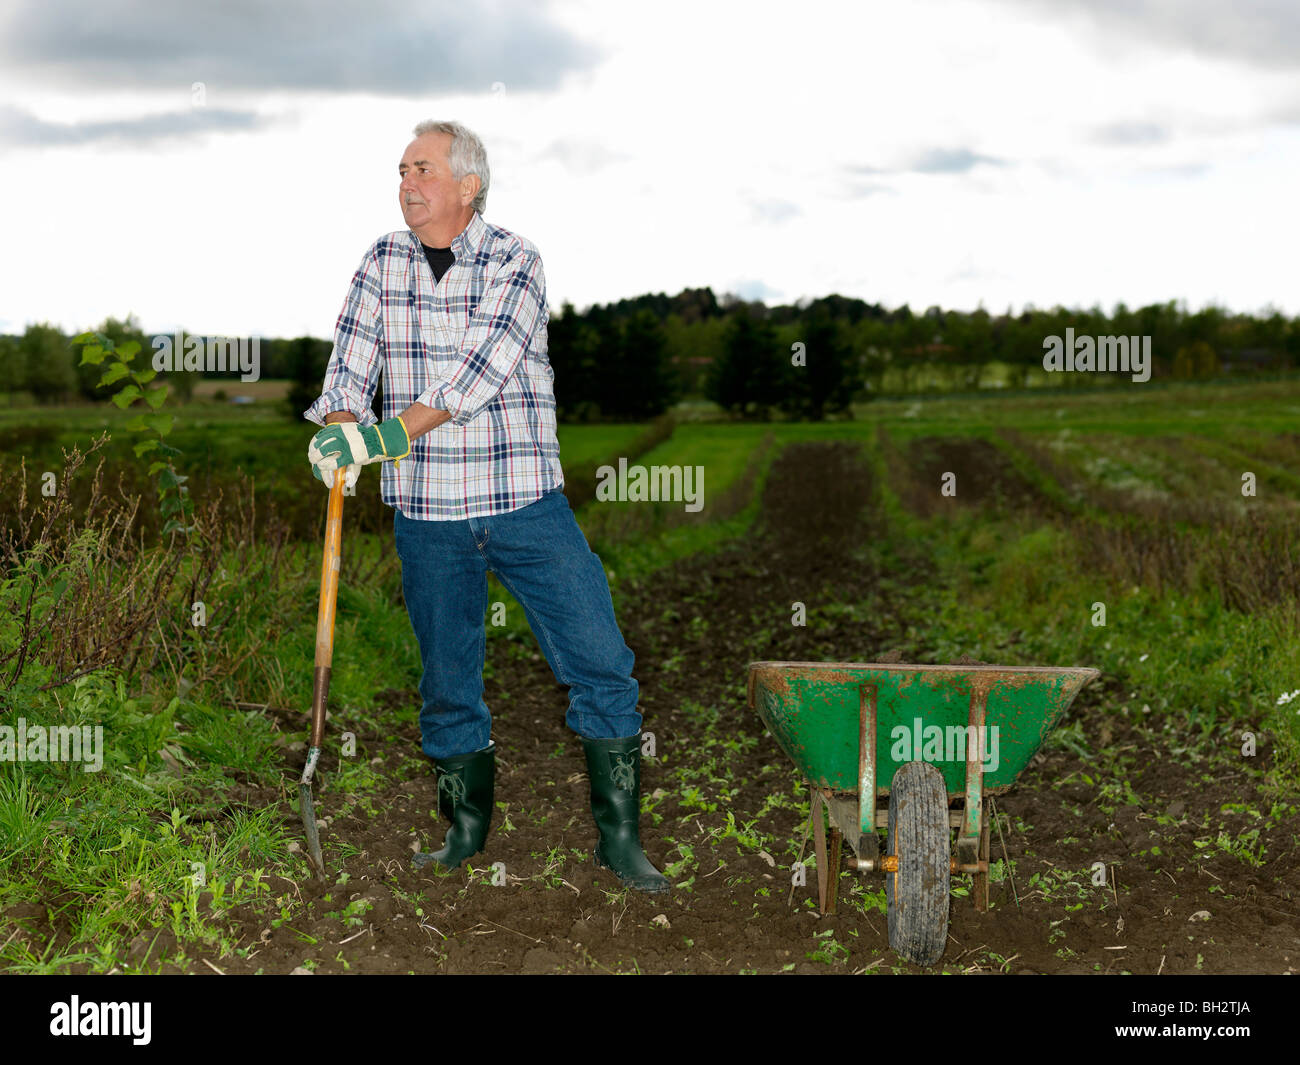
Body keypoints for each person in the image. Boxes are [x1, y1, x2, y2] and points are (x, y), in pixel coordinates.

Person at [303, 120, 668, 894]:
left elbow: (478, 374)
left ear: (468, 185)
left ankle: (621, 839)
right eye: (401, 169)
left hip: (521, 500)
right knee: (446, 679)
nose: (407, 183)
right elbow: (349, 366)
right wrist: (340, 433)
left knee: (600, 659)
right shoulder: (380, 262)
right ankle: (463, 833)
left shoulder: (515, 260)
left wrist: (381, 436)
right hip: (428, 513)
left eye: (423, 168)